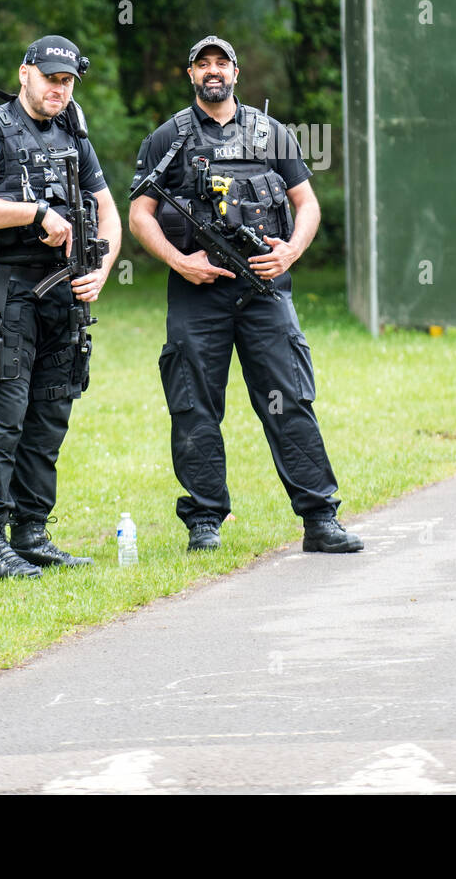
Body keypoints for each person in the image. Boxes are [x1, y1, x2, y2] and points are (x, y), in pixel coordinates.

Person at [128, 35, 363, 555]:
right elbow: (139, 214)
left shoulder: (271, 133)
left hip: (265, 290)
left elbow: (308, 206)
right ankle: (205, 522)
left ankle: (320, 519)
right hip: (198, 291)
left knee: (289, 401)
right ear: (190, 74)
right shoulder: (167, 137)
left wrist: (290, 253)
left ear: (236, 71)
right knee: (193, 405)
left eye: (221, 63)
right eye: (202, 64)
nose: (213, 71)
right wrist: (179, 261)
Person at [0, 35, 121, 579]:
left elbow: (108, 214)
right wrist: (35, 214)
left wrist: (103, 267)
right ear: (25, 72)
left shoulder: (74, 134)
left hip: (63, 295)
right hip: (7, 293)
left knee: (50, 416)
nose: (58, 89)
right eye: (50, 78)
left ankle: (32, 533)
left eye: (67, 81)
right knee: (4, 418)